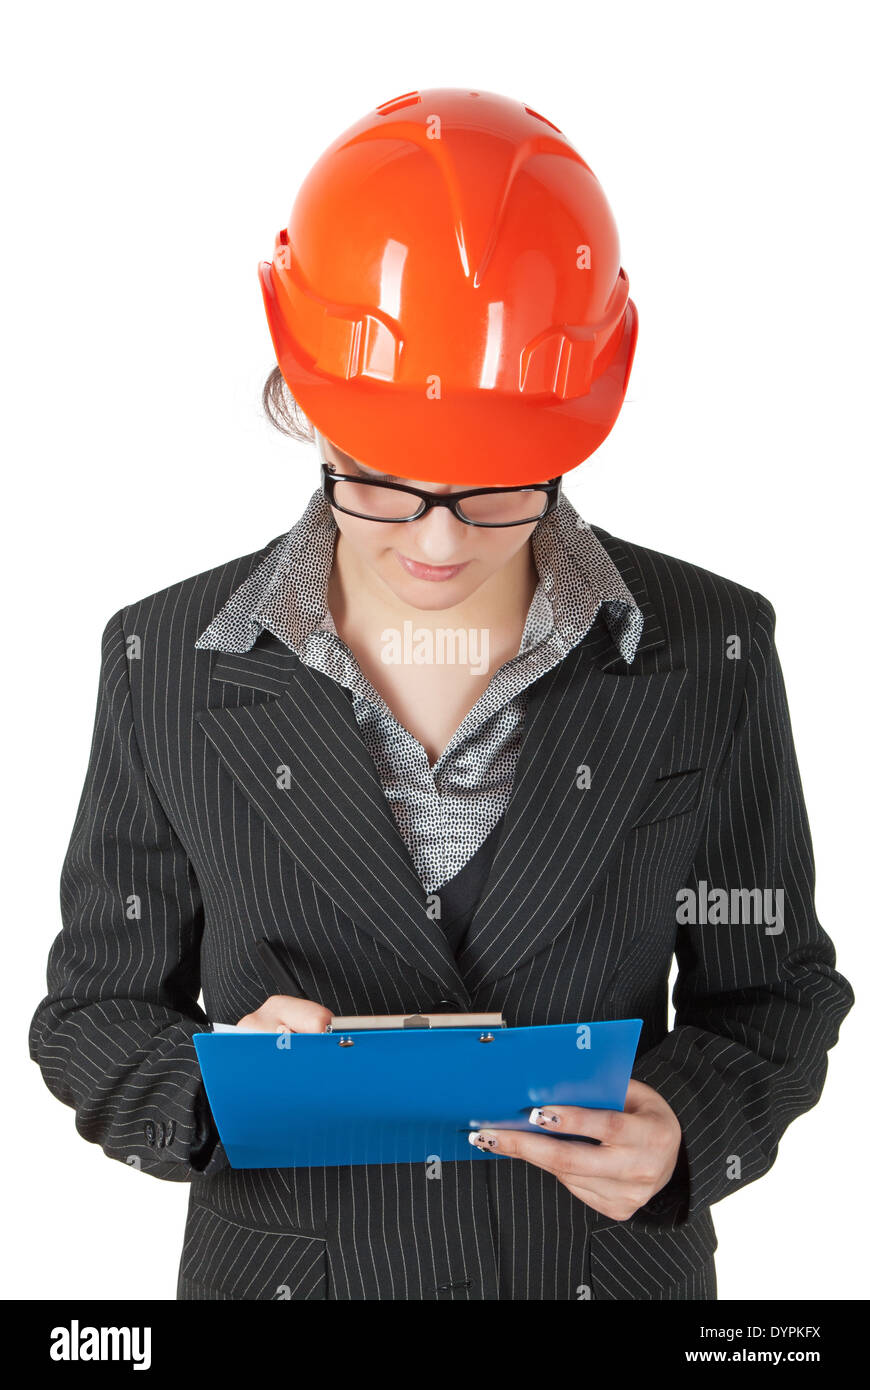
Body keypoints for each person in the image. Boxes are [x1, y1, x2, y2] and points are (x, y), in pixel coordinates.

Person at [29, 87, 853, 1302]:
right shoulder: (167, 659)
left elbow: (773, 992)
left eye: (495, 488)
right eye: (380, 481)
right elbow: (93, 1012)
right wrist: (214, 1085)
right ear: (307, 408)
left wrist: (686, 1125)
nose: (434, 540)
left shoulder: (709, 648)